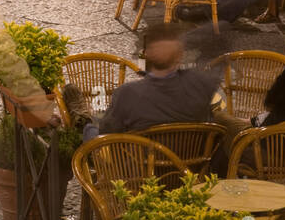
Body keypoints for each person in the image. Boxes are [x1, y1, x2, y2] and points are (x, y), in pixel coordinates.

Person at [91, 24, 227, 138]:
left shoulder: (127, 94)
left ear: (146, 55)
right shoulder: (201, 84)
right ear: (179, 56)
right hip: (193, 166)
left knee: (91, 128)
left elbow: (107, 132)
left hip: (140, 167)